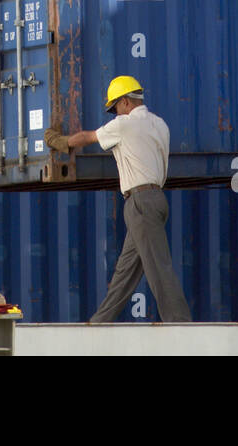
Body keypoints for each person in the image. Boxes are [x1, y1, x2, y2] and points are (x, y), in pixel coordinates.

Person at [67, 75, 192, 323]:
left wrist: (62, 142)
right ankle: (99, 322)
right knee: (126, 272)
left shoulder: (123, 125)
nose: (115, 113)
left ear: (125, 102)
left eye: (115, 108)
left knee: (158, 269)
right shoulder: (160, 125)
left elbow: (88, 138)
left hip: (140, 202)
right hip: (156, 199)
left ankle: (181, 326)